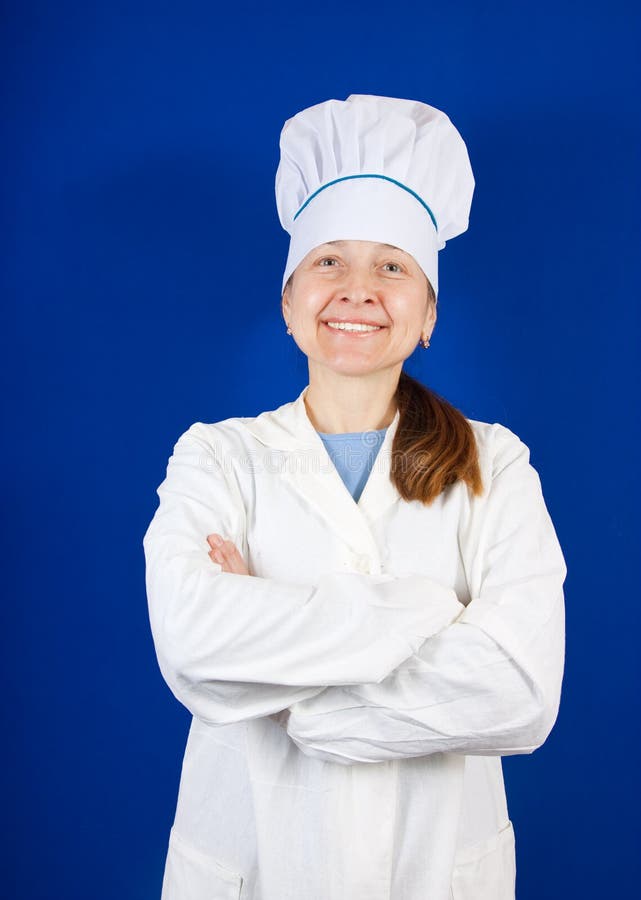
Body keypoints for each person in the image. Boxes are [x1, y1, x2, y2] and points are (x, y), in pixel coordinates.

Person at [142, 94, 567, 900]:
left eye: (392, 266)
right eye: (328, 261)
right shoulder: (216, 456)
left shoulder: (495, 464)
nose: (358, 289)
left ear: (428, 314)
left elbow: (518, 691)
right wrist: (420, 612)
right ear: (288, 303)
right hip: (251, 865)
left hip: (437, 871)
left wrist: (290, 693)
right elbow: (194, 643)